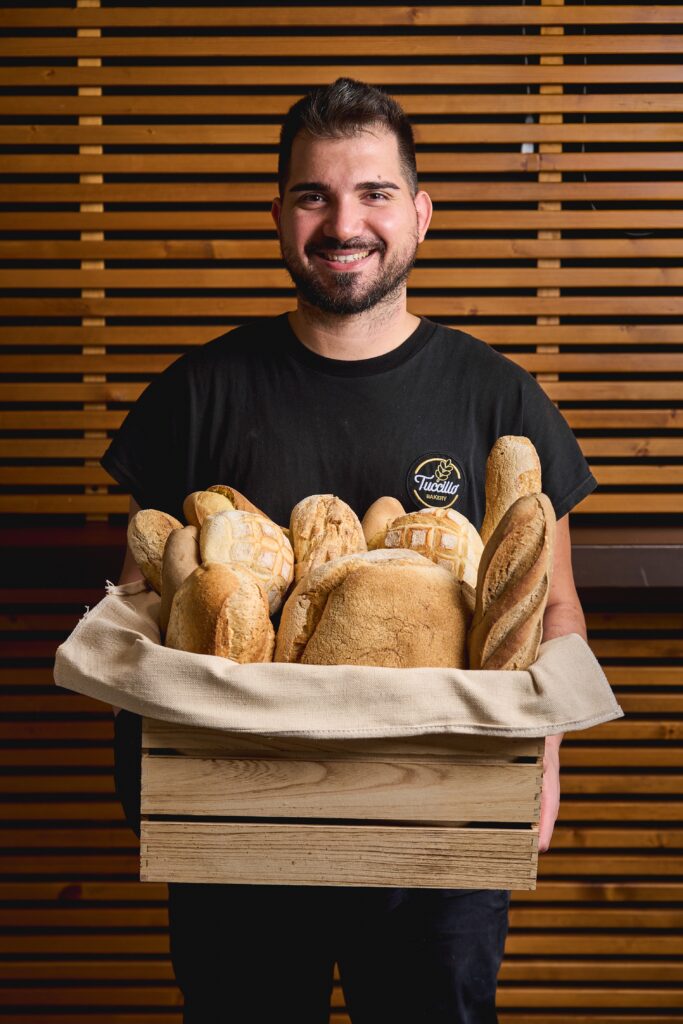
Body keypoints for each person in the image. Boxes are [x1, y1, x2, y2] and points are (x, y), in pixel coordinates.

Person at [103, 78, 596, 1024]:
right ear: (279, 216)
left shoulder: (497, 397)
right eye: (312, 195)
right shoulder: (198, 392)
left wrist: (544, 754)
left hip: (439, 830)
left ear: (418, 214)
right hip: (236, 825)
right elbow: (143, 602)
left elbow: (548, 607)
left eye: (372, 194)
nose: (343, 223)